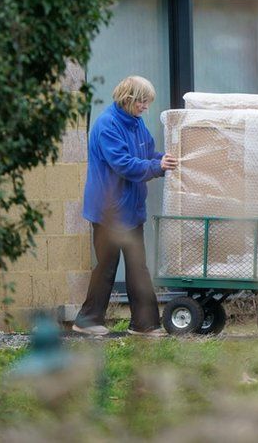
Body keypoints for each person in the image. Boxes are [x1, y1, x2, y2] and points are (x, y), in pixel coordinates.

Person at [73, 76, 178, 337]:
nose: (146, 106)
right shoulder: (107, 125)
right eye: (142, 101)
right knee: (107, 266)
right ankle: (86, 321)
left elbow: (147, 155)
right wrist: (156, 167)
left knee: (138, 266)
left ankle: (144, 324)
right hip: (108, 210)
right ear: (128, 98)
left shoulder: (136, 123)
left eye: (147, 102)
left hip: (131, 209)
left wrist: (164, 160)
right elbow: (123, 164)